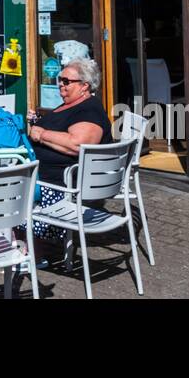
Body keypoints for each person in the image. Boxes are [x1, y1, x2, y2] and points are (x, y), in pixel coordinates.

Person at [27, 57, 112, 244]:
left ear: (85, 86)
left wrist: (41, 134)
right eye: (59, 80)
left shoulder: (90, 110)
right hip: (45, 174)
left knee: (6, 187)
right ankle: (15, 240)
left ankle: (30, 248)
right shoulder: (72, 104)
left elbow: (78, 144)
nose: (60, 85)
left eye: (66, 81)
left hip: (58, 182)